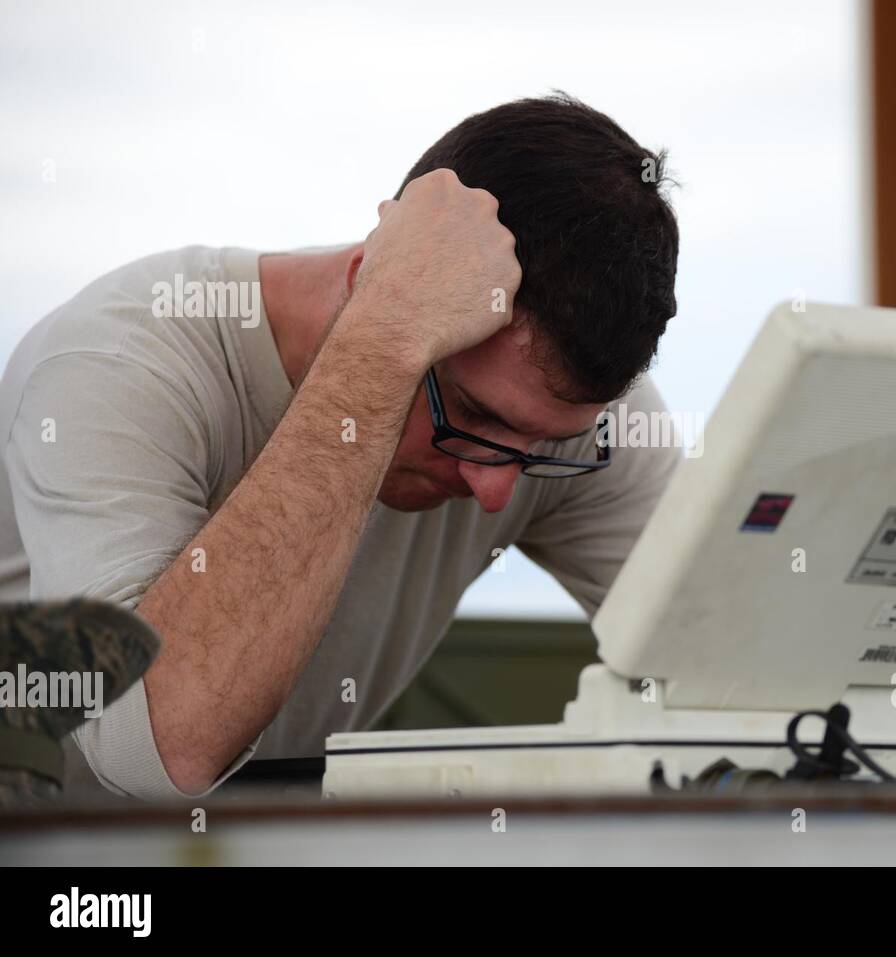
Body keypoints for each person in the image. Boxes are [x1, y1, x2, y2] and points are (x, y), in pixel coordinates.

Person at [0, 94, 681, 800]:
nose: (496, 491)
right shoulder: (114, 364)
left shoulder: (556, 412)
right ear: (368, 281)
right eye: (474, 417)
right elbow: (155, 748)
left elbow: (736, 657)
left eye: (543, 447)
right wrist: (382, 343)